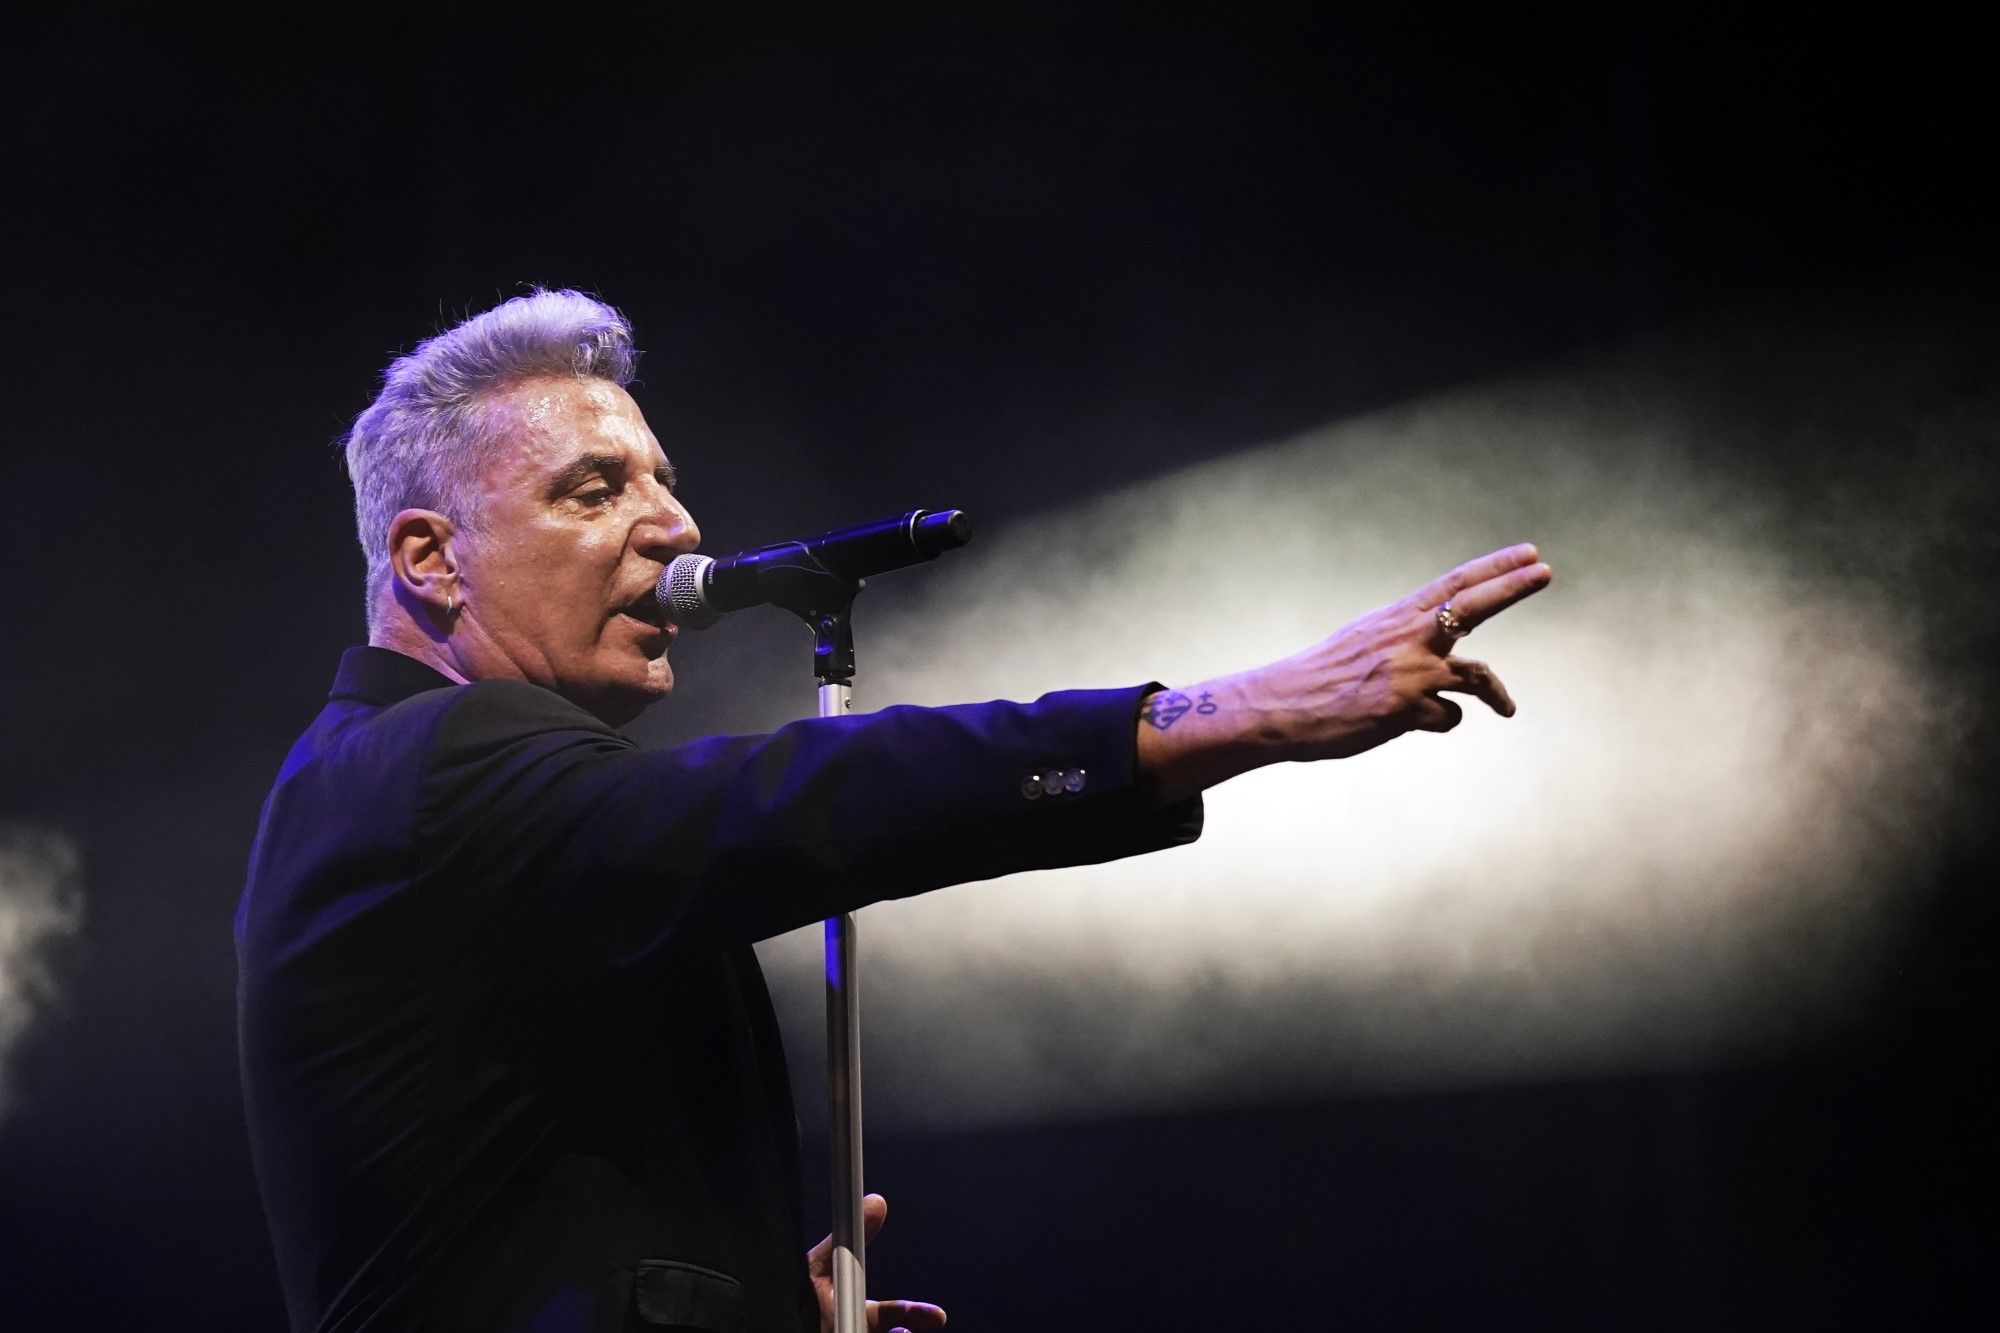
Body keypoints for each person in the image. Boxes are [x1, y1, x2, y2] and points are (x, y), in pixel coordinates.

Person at [235, 289, 1551, 1333]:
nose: (673, 523)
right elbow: (787, 799)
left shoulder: (499, 814)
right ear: (429, 559)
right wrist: (1224, 714)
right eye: (596, 489)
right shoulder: (418, 765)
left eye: (662, 479)